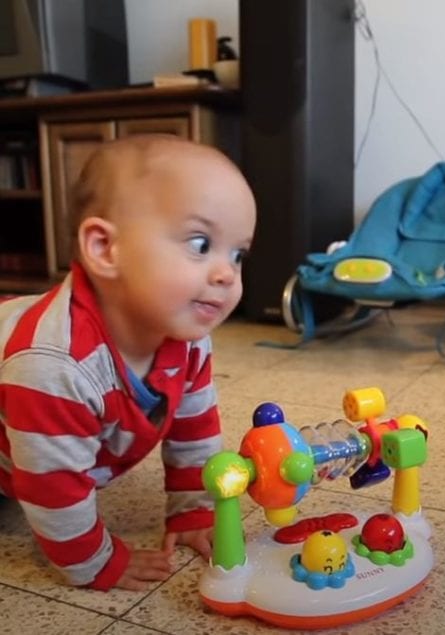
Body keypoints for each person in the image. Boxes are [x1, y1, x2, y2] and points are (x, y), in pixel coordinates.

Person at [0, 134, 256, 591]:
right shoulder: (53, 365)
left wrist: (194, 508)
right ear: (104, 248)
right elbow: (50, 488)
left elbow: (194, 430)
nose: (226, 273)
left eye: (238, 254)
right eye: (200, 244)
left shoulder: (188, 339)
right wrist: (95, 562)